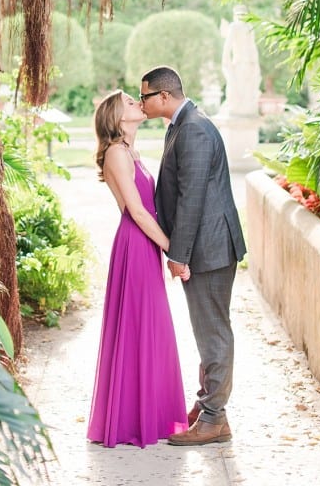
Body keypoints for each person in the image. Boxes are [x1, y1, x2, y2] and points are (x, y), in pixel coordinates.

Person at [139, 66, 246, 446]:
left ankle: (214, 418)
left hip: (209, 250)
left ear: (164, 96)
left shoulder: (194, 129)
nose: (141, 103)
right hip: (206, 247)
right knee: (208, 331)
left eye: (145, 96)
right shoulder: (182, 125)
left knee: (213, 332)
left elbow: (192, 199)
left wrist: (178, 255)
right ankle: (208, 407)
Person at [86, 89, 188, 448]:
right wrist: (173, 249)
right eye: (130, 102)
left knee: (150, 327)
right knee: (139, 326)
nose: (138, 103)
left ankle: (149, 415)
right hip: (135, 243)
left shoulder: (131, 151)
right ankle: (132, 421)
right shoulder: (116, 152)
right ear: (117, 117)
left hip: (144, 244)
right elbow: (138, 211)